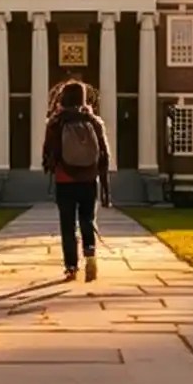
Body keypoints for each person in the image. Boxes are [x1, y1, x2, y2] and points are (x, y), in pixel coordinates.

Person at [41, 79, 111, 282]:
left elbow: (48, 152)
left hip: (64, 179)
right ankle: (90, 254)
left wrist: (51, 166)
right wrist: (103, 176)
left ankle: (71, 267)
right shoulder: (93, 121)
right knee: (87, 219)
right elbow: (104, 153)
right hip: (89, 178)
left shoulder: (56, 122)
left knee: (67, 224)